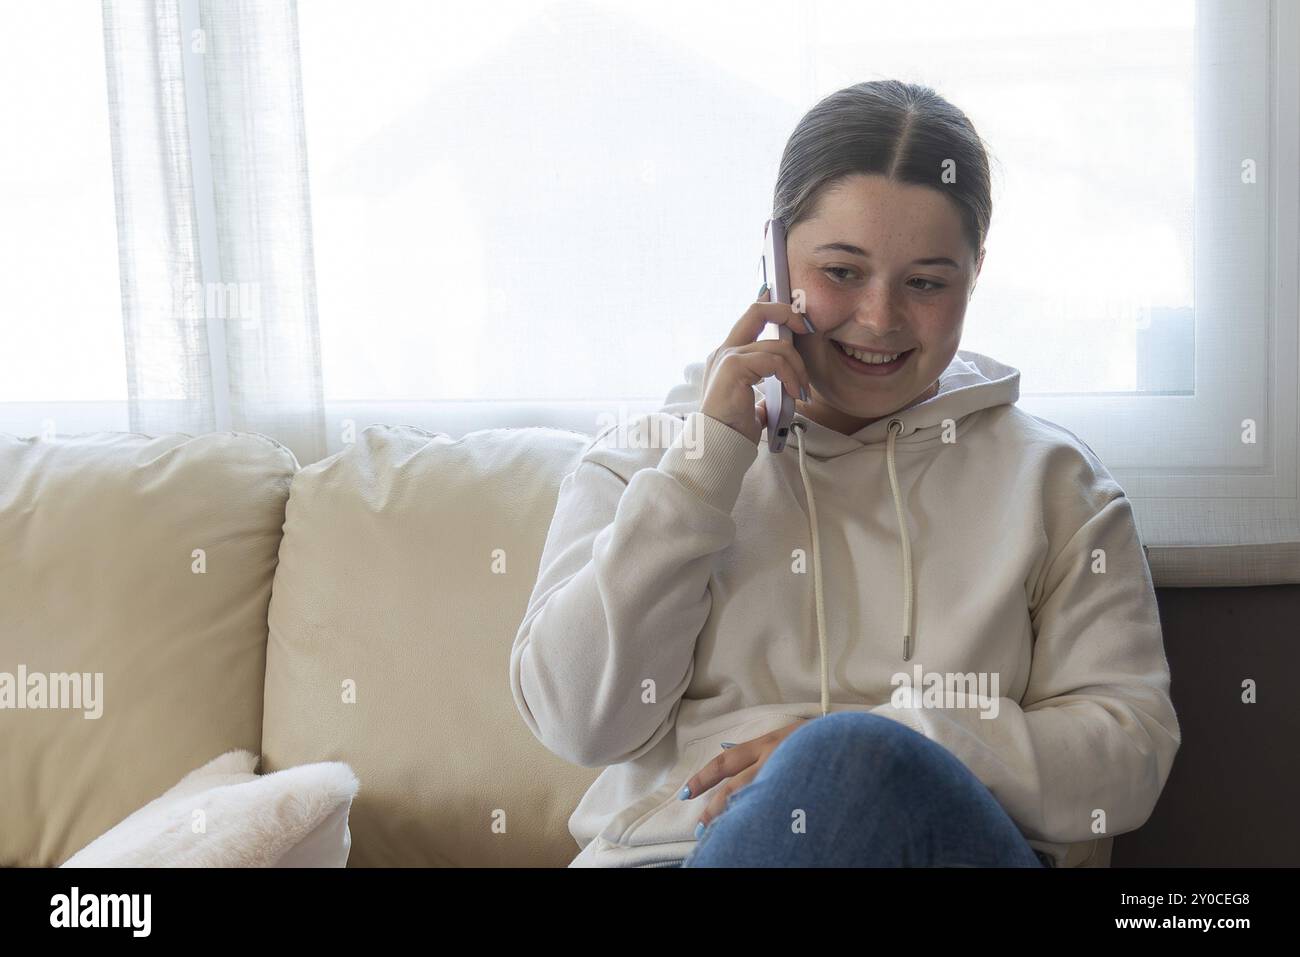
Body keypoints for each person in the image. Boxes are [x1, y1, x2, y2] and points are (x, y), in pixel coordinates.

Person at [508, 78, 1181, 868]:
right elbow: (578, 722)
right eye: (841, 272)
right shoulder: (654, 452)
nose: (880, 319)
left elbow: (1127, 755)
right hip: (678, 853)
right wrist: (704, 469)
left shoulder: (1055, 482)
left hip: (940, 849)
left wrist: (891, 743)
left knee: (849, 763)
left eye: (926, 282)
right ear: (774, 252)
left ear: (976, 273)